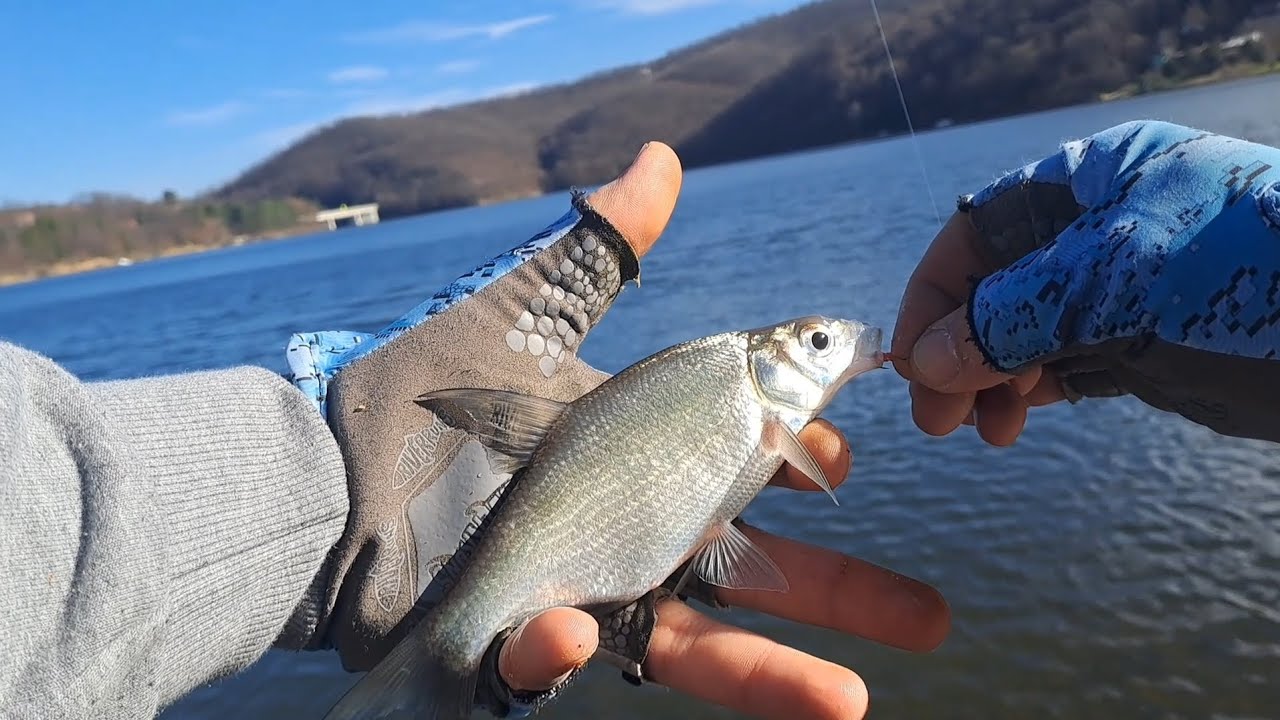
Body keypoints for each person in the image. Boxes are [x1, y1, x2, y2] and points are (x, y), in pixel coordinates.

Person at [3, 118, 1275, 720]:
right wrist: (345, 481)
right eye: (817, 348)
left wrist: (326, 491)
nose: (835, 352)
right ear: (782, 369)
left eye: (825, 349)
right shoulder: (742, 394)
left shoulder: (763, 408)